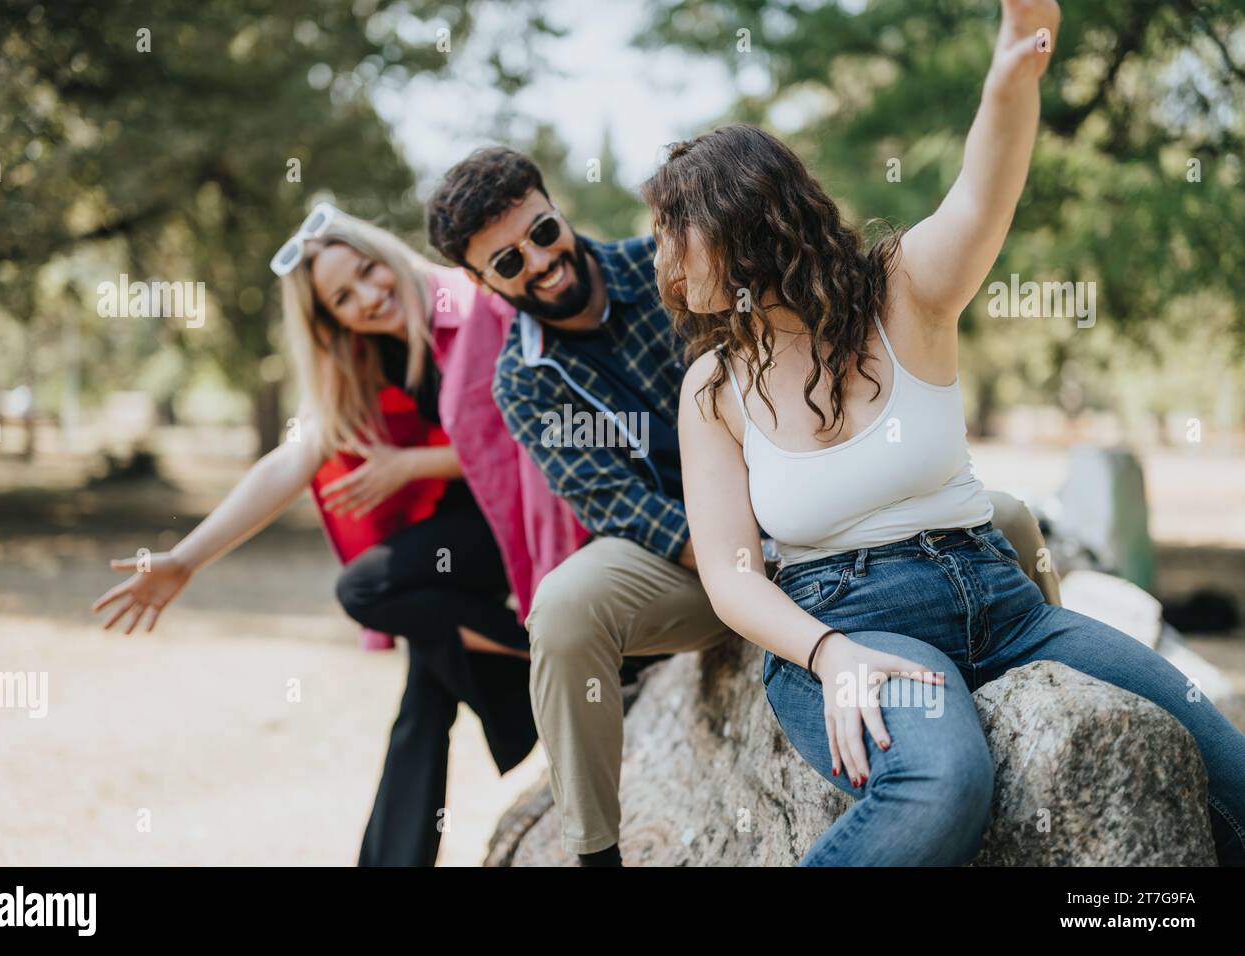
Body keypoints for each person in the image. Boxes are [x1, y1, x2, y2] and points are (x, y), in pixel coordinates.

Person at [656, 0, 1245, 866]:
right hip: (847, 617)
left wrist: (1012, 73)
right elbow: (732, 575)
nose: (662, 256)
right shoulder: (713, 387)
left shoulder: (904, 292)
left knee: (1220, 754)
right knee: (943, 783)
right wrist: (832, 657)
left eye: (676, 229)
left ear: (744, 222)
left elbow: (984, 190)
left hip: (999, 599)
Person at [425, 145, 1060, 866]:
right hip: (693, 556)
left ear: (556, 210)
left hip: (819, 516)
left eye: (542, 233)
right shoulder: (522, 379)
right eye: (506, 263)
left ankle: (1046, 689)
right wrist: (748, 559)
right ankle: (594, 851)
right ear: (480, 282)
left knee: (1006, 518)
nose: (539, 262)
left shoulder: (679, 259)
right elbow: (620, 506)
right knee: (565, 610)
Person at [91, 204, 586, 866]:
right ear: (331, 319)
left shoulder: (470, 305)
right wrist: (186, 558)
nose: (368, 297)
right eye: (344, 299)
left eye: (366, 273)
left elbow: (524, 437)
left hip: (526, 521)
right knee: (423, 700)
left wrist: (412, 464)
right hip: (459, 534)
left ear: (384, 250)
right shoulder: (356, 356)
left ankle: (538, 659)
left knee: (370, 587)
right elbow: (290, 463)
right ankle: (518, 677)